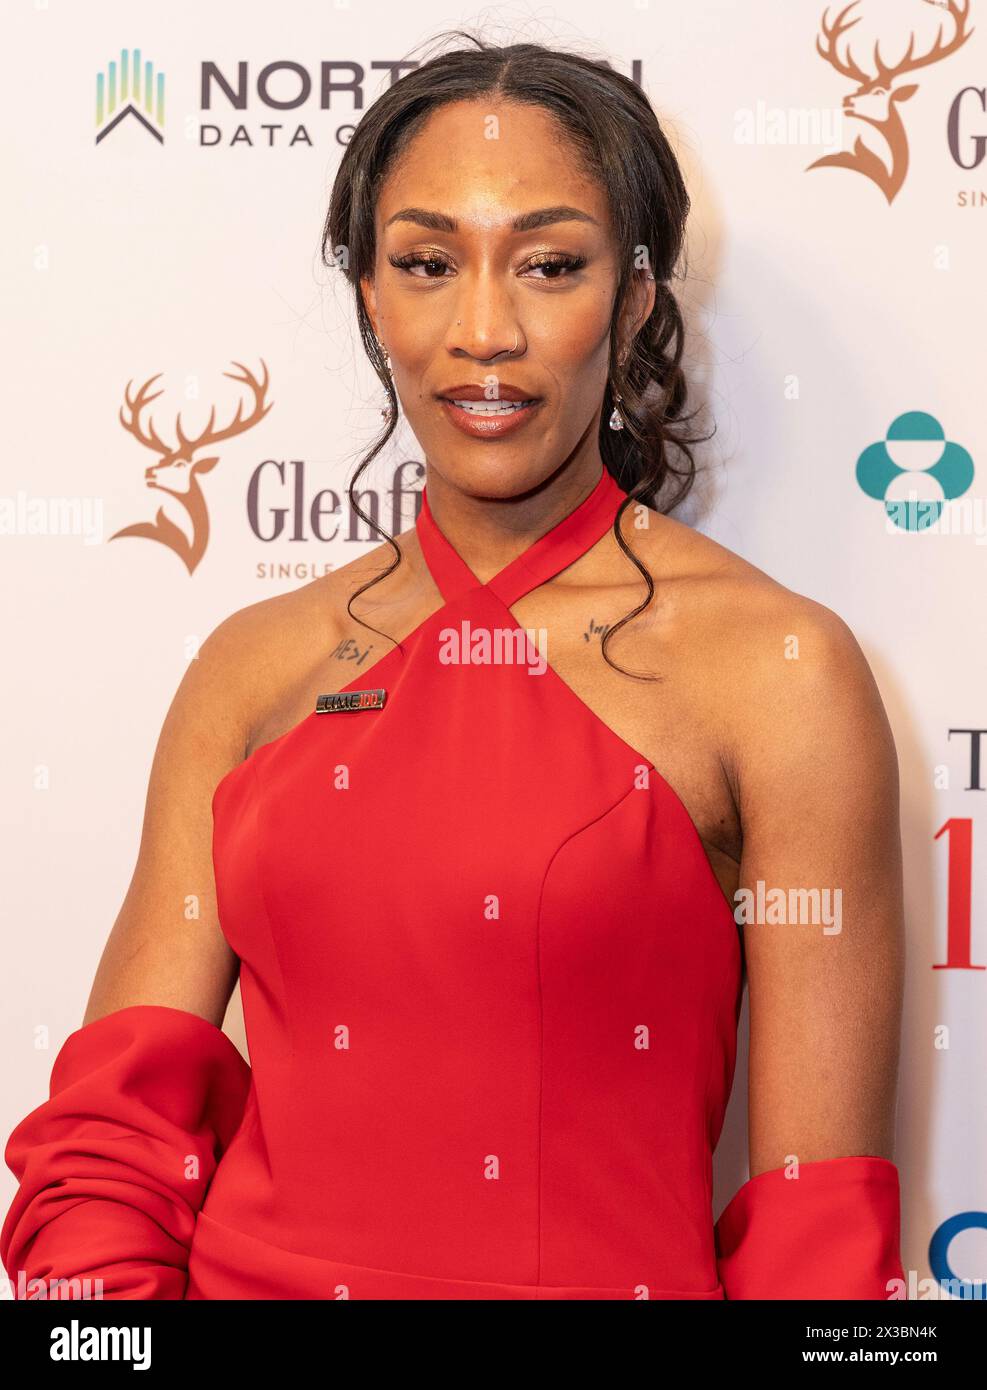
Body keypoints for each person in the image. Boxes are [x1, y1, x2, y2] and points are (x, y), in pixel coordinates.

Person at [1, 33, 905, 1300]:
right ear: (370, 291)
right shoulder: (253, 666)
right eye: (428, 263)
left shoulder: (780, 670)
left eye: (549, 264)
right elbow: (111, 1142)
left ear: (635, 297)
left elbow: (819, 1249)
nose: (485, 330)